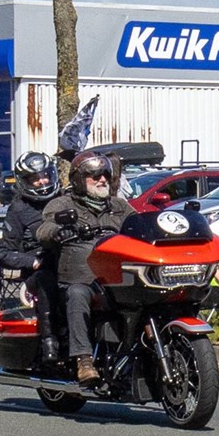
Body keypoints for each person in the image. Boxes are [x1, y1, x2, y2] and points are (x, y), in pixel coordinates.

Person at [36, 151, 135, 384]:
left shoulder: (120, 206)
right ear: (80, 180)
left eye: (105, 175)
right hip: (81, 281)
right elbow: (44, 229)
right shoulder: (62, 204)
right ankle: (84, 361)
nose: (102, 180)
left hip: (118, 280)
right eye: (94, 176)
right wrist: (59, 231)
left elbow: (140, 225)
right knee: (77, 293)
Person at [0, 151, 62, 362]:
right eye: (34, 178)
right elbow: (3, 251)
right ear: (24, 182)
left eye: (44, 175)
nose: (42, 181)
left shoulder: (64, 200)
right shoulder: (18, 209)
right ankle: (49, 341)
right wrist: (32, 262)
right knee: (46, 282)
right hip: (42, 271)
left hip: (70, 264)